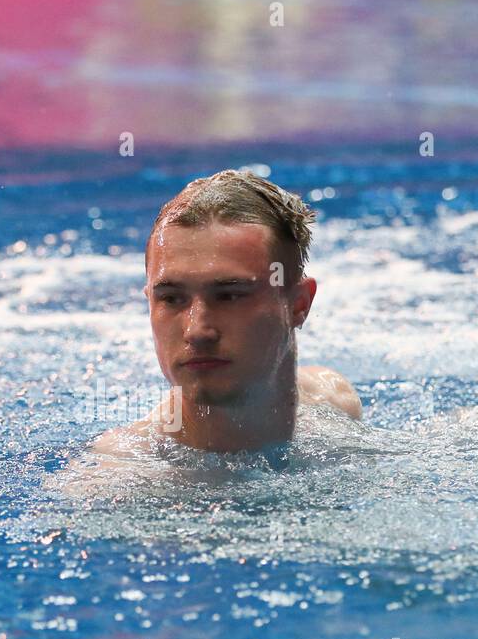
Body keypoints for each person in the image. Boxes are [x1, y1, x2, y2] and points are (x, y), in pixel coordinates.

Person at [91, 169, 361, 458]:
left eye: (229, 296)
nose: (197, 331)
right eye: (171, 299)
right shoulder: (124, 473)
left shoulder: (334, 402)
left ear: (298, 305)